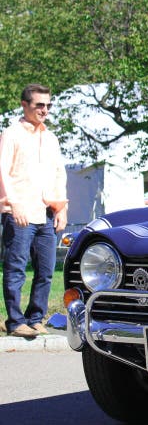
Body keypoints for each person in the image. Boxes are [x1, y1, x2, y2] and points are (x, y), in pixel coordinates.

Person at [0, 84, 67, 338]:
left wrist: (61, 208)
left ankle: (36, 318)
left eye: (48, 105)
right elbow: (2, 171)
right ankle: (15, 322)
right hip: (20, 212)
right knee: (16, 269)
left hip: (46, 213)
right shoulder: (11, 134)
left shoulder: (51, 139)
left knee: (46, 270)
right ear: (24, 105)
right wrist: (12, 203)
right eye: (39, 105)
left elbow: (59, 174)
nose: (45, 110)